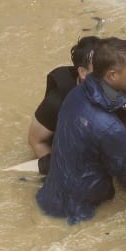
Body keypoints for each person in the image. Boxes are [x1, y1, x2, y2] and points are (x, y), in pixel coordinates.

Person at [36, 37, 126, 224]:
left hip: (51, 195)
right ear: (112, 75)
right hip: (80, 212)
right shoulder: (110, 128)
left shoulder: (76, 93)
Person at [26, 35, 100, 175]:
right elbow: (35, 141)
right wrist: (59, 169)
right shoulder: (56, 103)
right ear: (83, 73)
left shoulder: (115, 88)